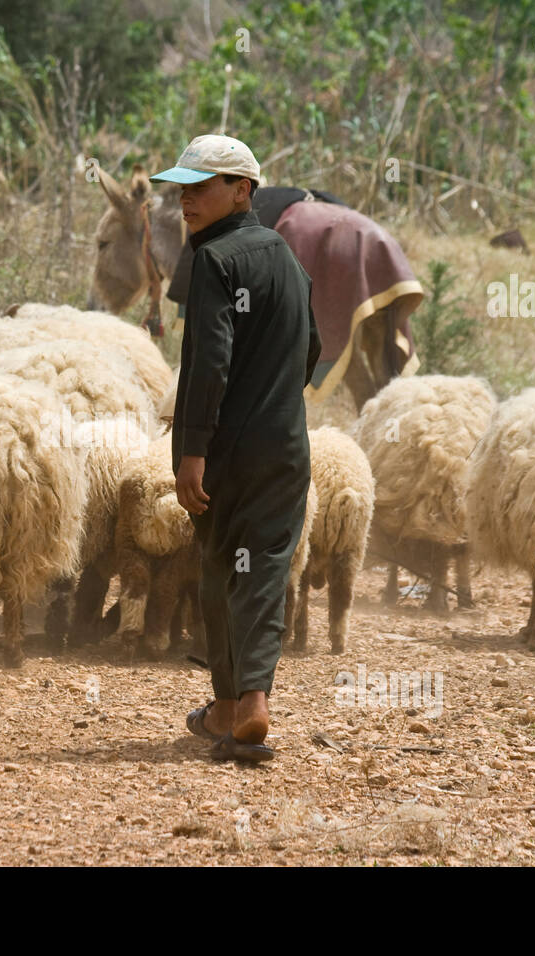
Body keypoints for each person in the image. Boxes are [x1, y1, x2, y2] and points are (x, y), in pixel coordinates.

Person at [151, 135, 315, 763]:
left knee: (221, 569)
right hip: (287, 450)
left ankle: (238, 704)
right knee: (264, 571)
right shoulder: (286, 258)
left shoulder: (214, 260)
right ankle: (243, 704)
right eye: (181, 187)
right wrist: (274, 402)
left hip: (225, 454)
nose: (186, 199)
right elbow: (311, 349)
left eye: (201, 185)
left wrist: (192, 452)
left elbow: (207, 365)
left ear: (243, 189)